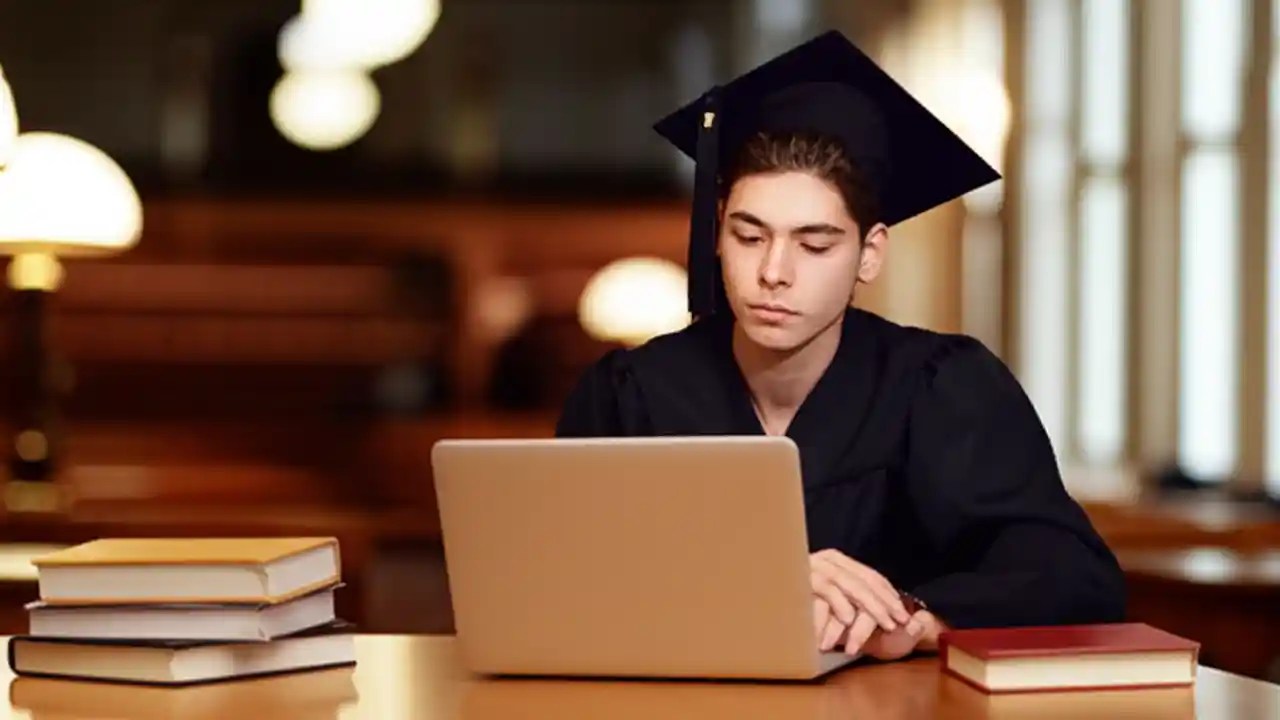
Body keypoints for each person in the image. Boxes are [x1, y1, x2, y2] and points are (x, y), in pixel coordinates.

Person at [555, 31, 1126, 662]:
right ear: (716, 233)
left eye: (815, 244)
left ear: (869, 253)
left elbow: (1072, 577)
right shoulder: (629, 395)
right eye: (749, 236)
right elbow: (558, 577)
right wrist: (762, 581)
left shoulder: (942, 389)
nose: (774, 271)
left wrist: (914, 621)